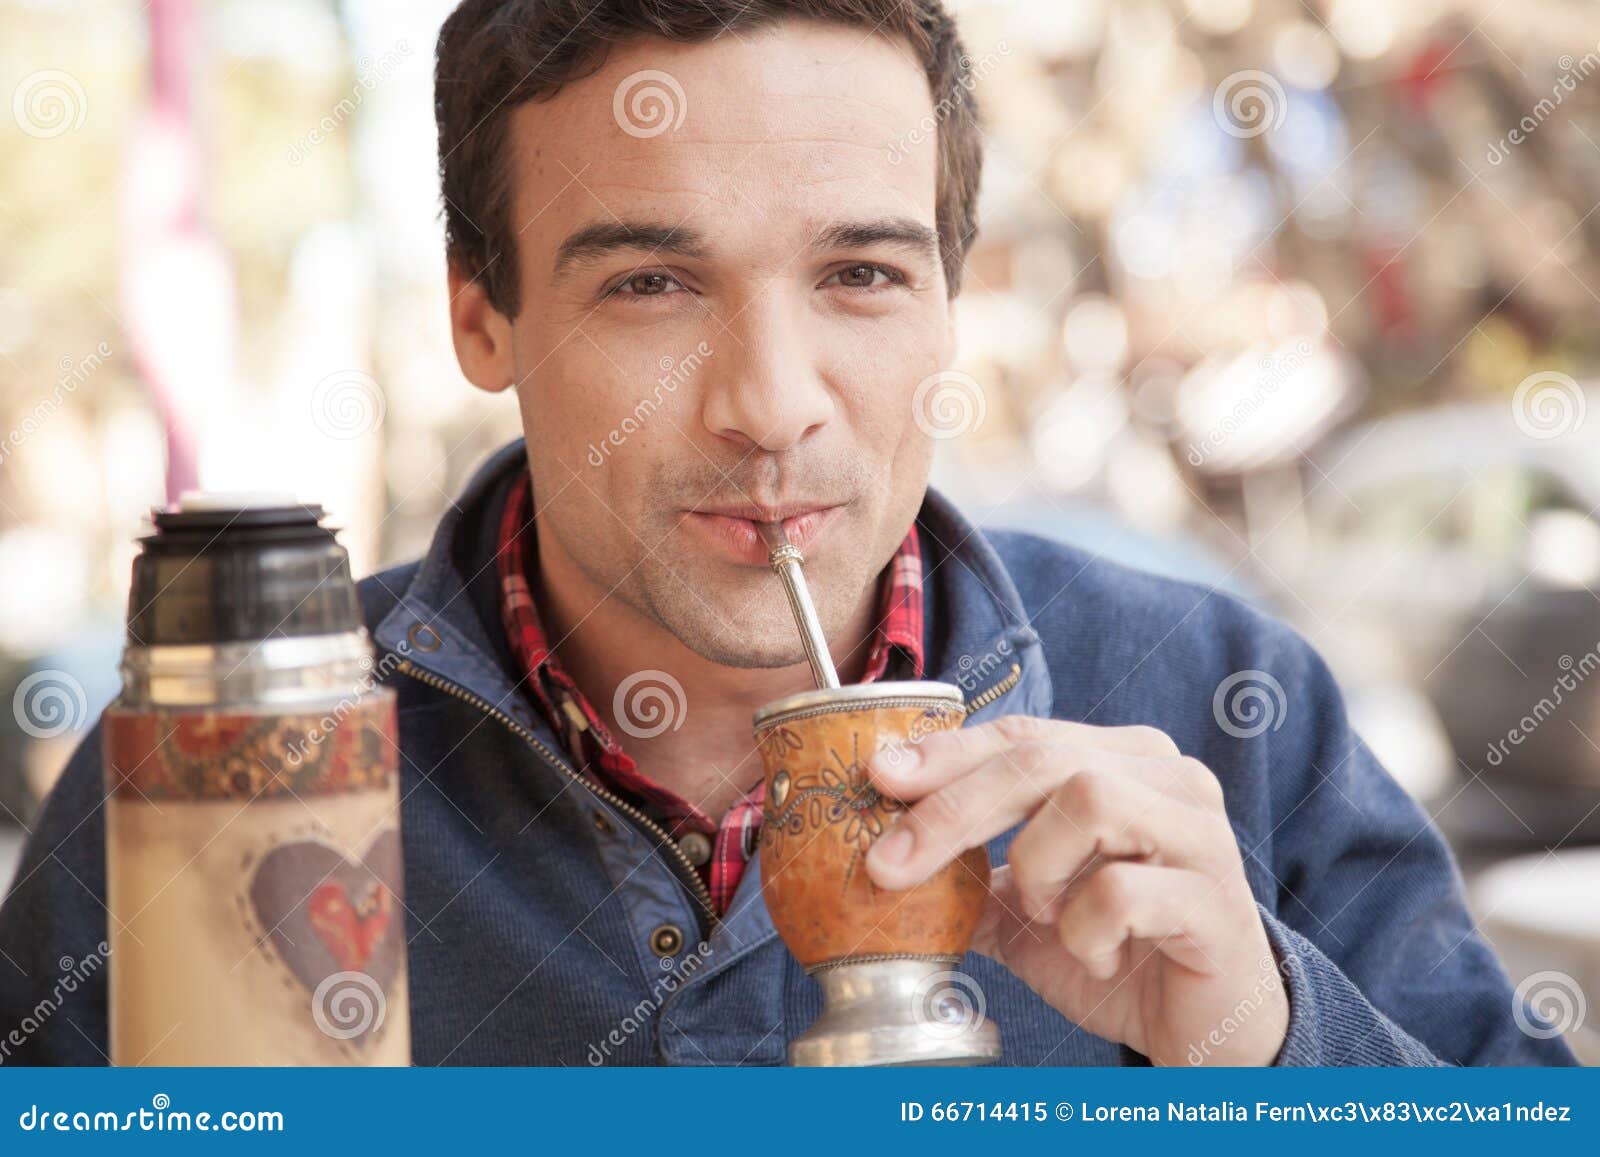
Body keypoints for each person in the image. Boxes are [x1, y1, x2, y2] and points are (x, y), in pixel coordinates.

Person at [0, 0, 1575, 1066]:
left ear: (952, 299)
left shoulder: (1225, 707)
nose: (770, 405)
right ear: (482, 311)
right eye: (652, 283)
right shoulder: (201, 790)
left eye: (862, 276)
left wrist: (1273, 1056)